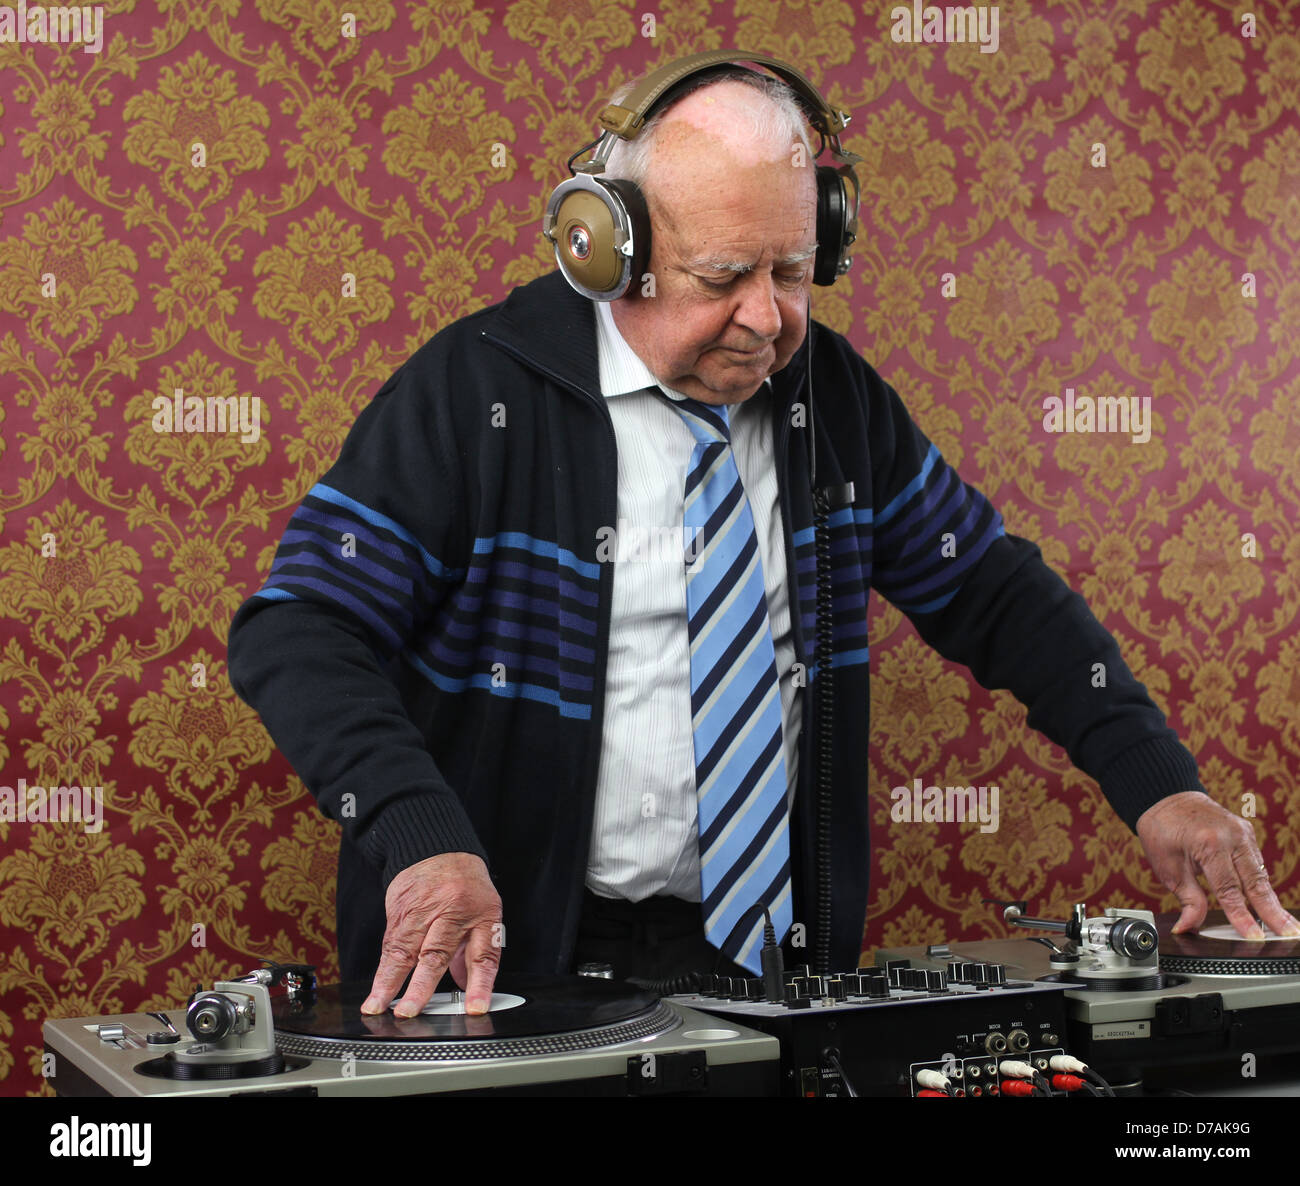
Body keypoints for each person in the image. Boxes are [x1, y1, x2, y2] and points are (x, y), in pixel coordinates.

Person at [227, 54, 1299, 1020]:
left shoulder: (828, 398)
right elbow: (299, 629)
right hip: (512, 972)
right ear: (609, 249)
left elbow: (994, 594)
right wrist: (424, 839)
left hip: (768, 971)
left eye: (790, 271)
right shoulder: (473, 394)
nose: (766, 319)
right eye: (722, 277)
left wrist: (1160, 782)